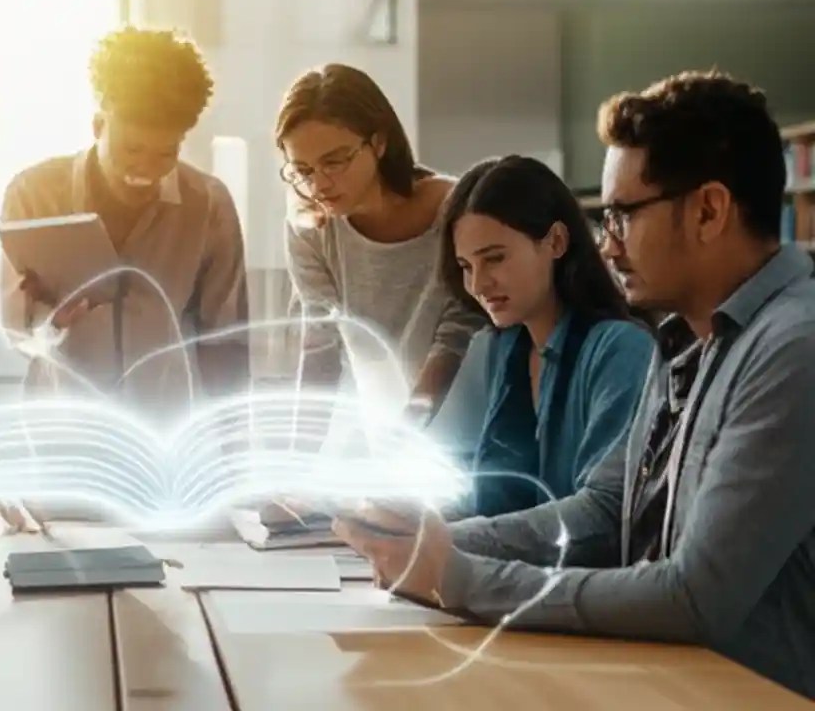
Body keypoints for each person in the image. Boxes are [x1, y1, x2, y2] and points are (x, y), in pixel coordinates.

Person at [334, 71, 815, 699]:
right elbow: (605, 512)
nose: (607, 247)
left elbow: (694, 597)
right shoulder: (683, 342)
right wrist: (428, 543)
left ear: (709, 209)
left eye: (620, 216)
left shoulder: (792, 349)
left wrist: (460, 578)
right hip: (664, 680)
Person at [0, 26, 249, 424]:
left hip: (163, 442)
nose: (147, 169)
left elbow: (225, 344)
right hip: (59, 440)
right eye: (131, 149)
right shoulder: (34, 194)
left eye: (167, 151)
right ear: (98, 125)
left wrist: (232, 459)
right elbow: (18, 332)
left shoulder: (208, 206)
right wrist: (51, 324)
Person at [428, 155, 654, 517]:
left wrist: (452, 541)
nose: (478, 284)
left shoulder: (621, 350)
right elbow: (476, 484)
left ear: (556, 242)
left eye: (495, 258)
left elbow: (600, 515)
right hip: (508, 569)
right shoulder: (503, 348)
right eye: (467, 266)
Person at [276, 64, 486, 431]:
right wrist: (298, 465)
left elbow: (459, 329)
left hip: (470, 426)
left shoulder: (456, 206)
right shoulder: (310, 229)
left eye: (334, 161)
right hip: (388, 435)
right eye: (303, 171)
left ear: (378, 142)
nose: (319, 184)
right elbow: (320, 347)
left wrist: (410, 425)